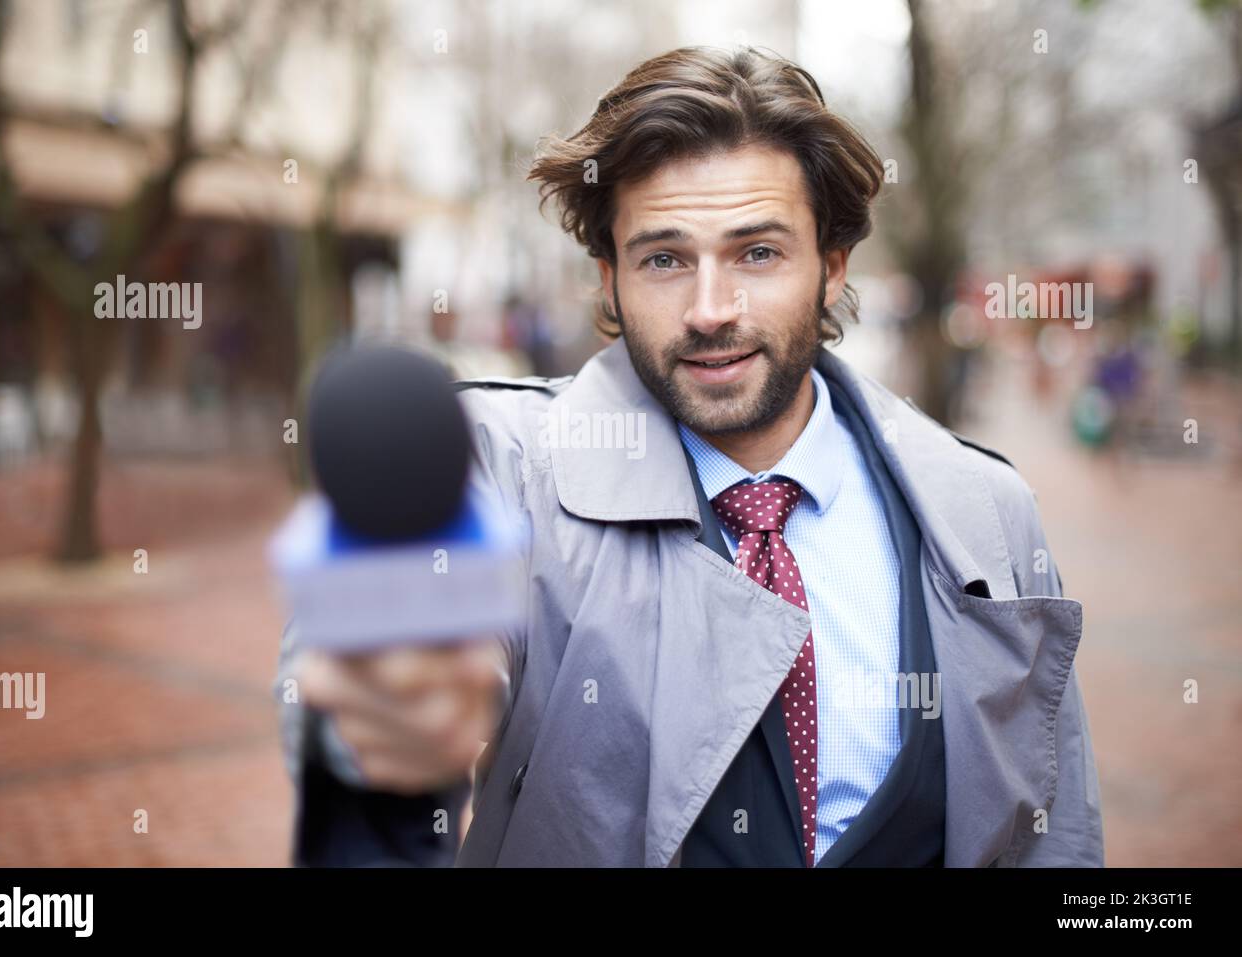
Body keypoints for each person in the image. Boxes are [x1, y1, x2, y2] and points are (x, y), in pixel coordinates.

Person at [275, 45, 1103, 868]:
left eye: (758, 252)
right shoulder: (506, 470)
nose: (711, 310)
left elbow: (1055, 841)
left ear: (832, 268)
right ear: (610, 281)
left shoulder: (984, 507)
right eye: (664, 258)